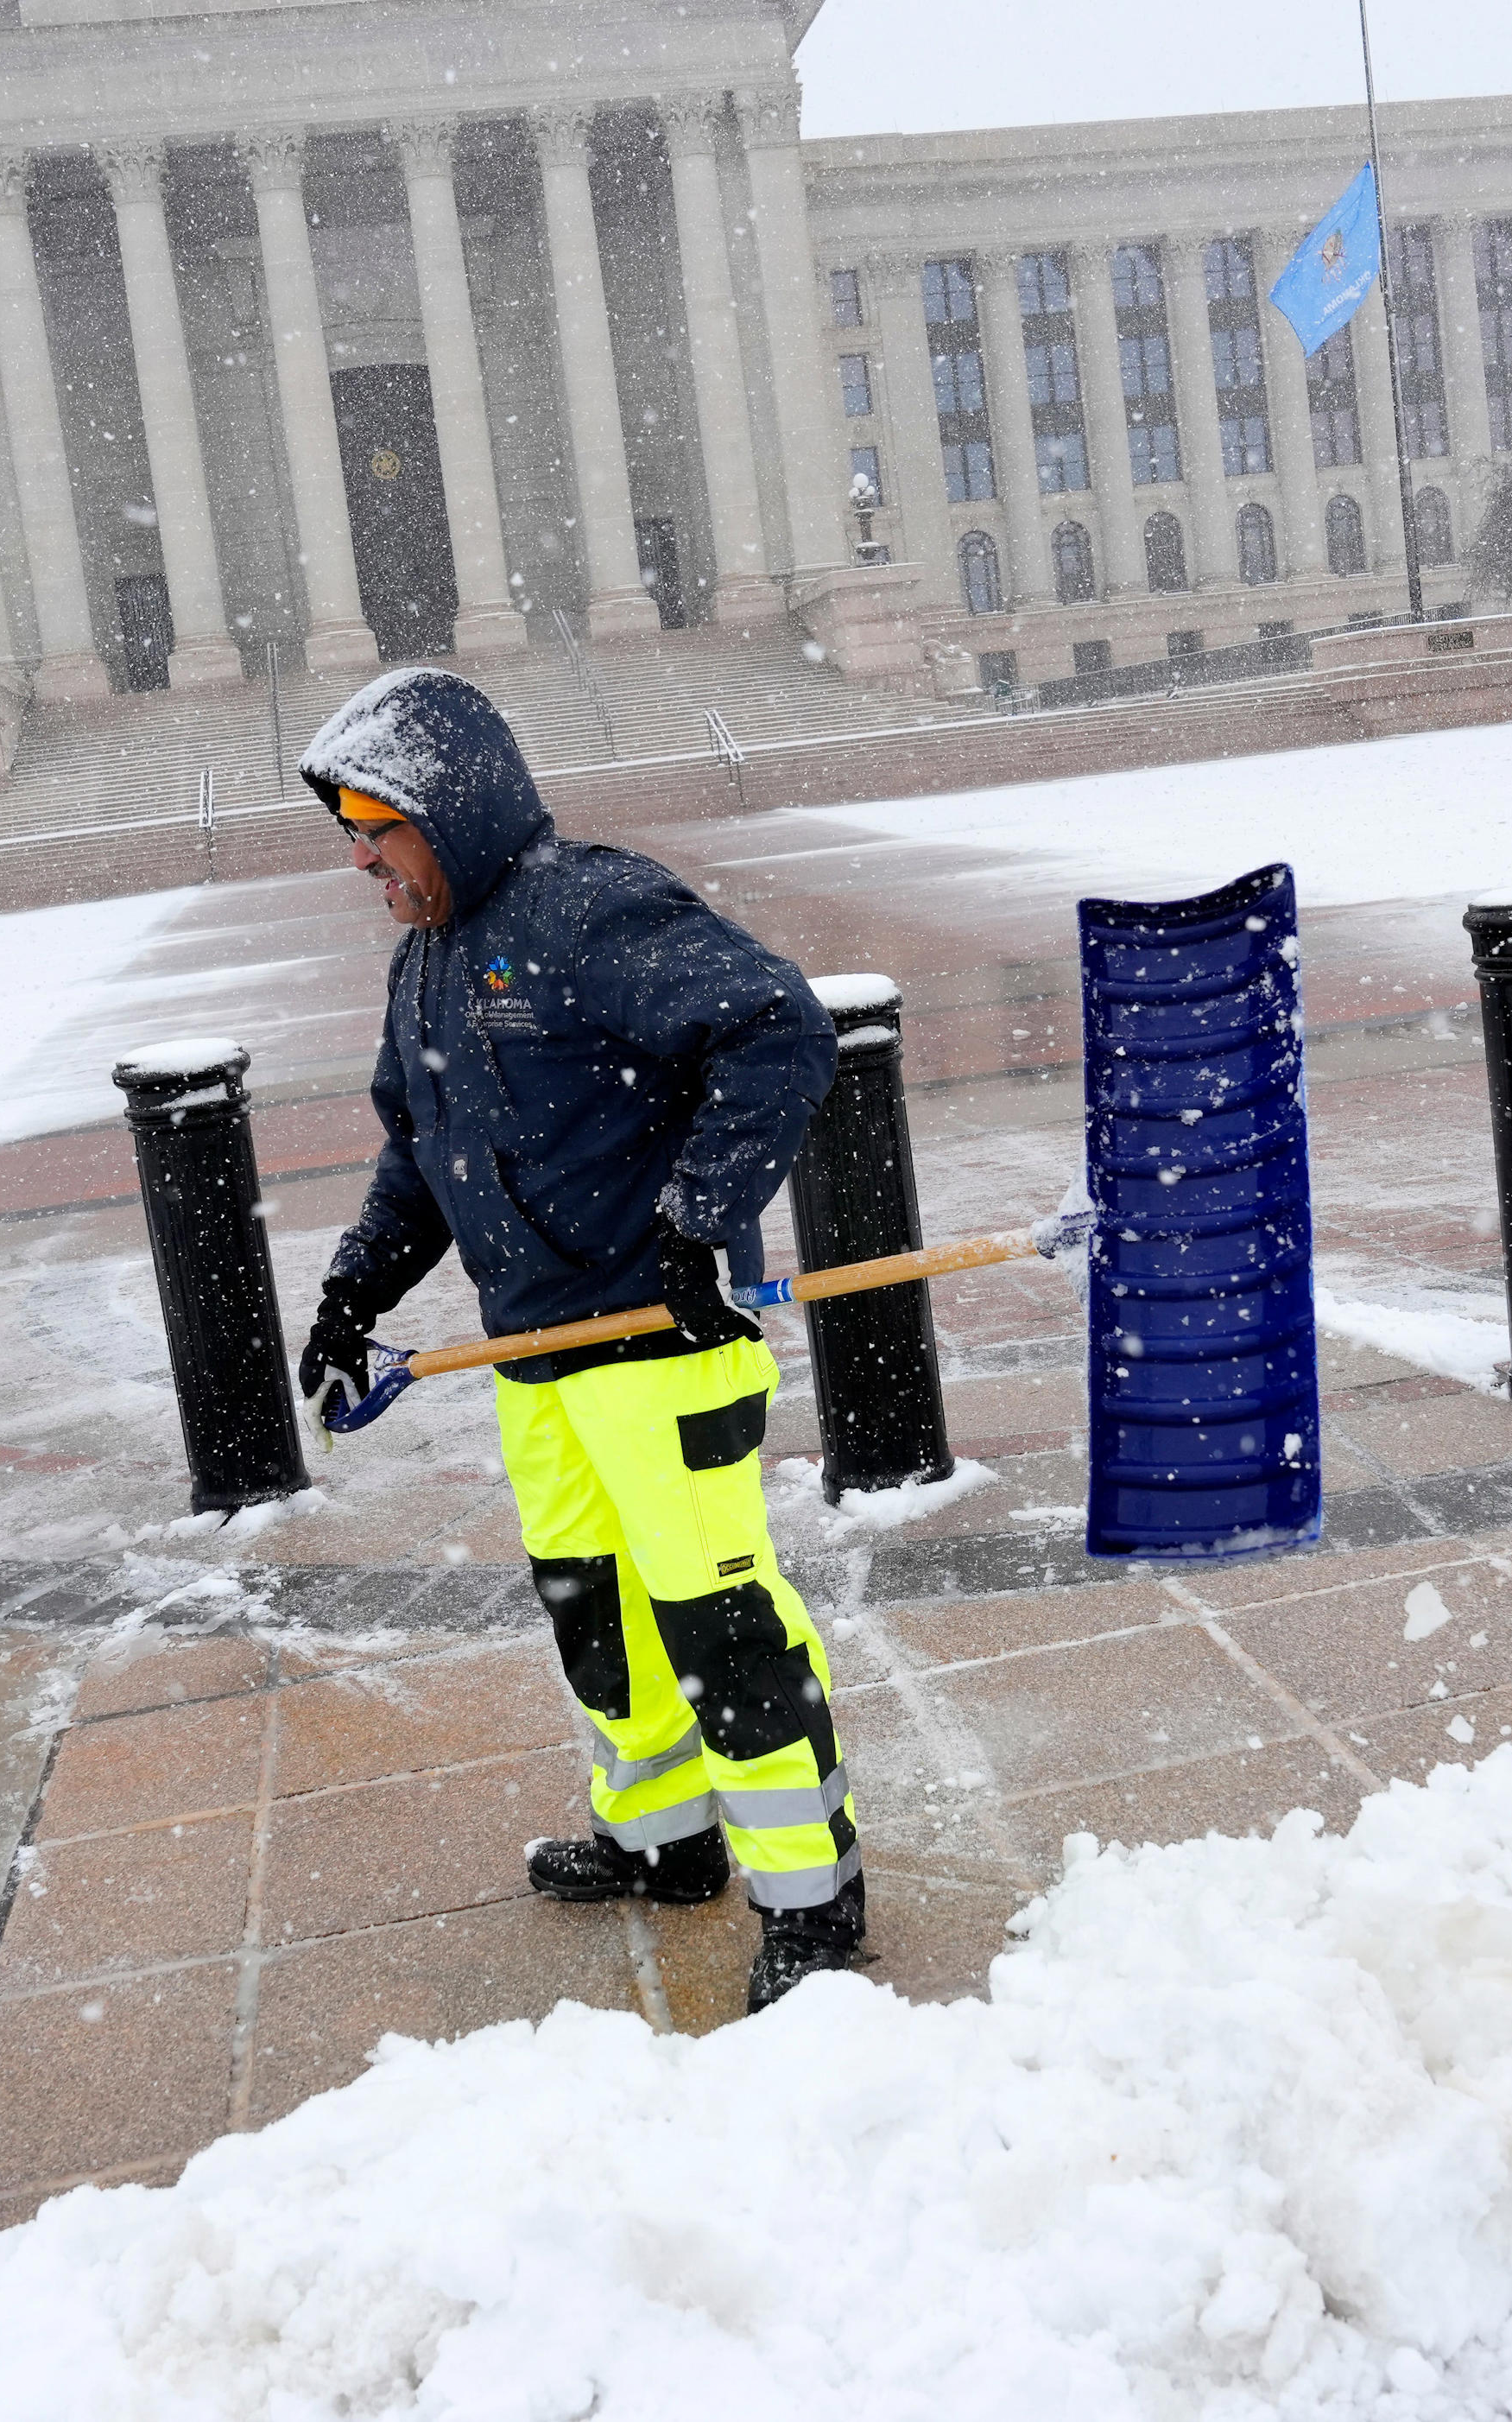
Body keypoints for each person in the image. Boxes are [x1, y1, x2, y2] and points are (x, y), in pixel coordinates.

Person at [290, 667, 858, 2013]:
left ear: (452, 809)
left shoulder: (589, 913)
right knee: (597, 1618)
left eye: (377, 825)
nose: (361, 857)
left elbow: (776, 1029)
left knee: (720, 1627)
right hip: (534, 1360)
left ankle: (810, 1903)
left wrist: (698, 1216)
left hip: (659, 1346)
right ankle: (664, 1843)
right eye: (349, 831)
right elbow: (421, 1154)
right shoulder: (426, 960)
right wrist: (356, 1290)